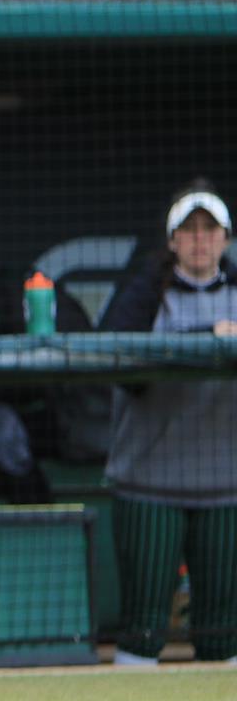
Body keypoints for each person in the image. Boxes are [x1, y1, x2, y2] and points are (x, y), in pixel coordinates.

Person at [98, 184, 237, 665]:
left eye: (210, 229)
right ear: (173, 240)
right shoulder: (143, 294)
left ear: (226, 238)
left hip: (227, 486)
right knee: (142, 630)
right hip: (149, 483)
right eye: (189, 230)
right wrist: (206, 340)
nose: (200, 239)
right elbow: (116, 354)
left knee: (223, 635)